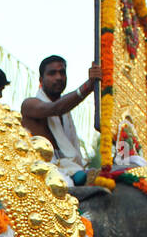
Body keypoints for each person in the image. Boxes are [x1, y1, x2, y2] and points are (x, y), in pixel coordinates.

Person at [21, 55, 101, 185]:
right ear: (41, 79)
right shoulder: (30, 105)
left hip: (72, 170)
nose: (58, 77)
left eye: (62, 73)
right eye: (52, 73)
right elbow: (55, 108)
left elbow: (60, 107)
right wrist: (88, 86)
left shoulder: (65, 112)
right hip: (40, 175)